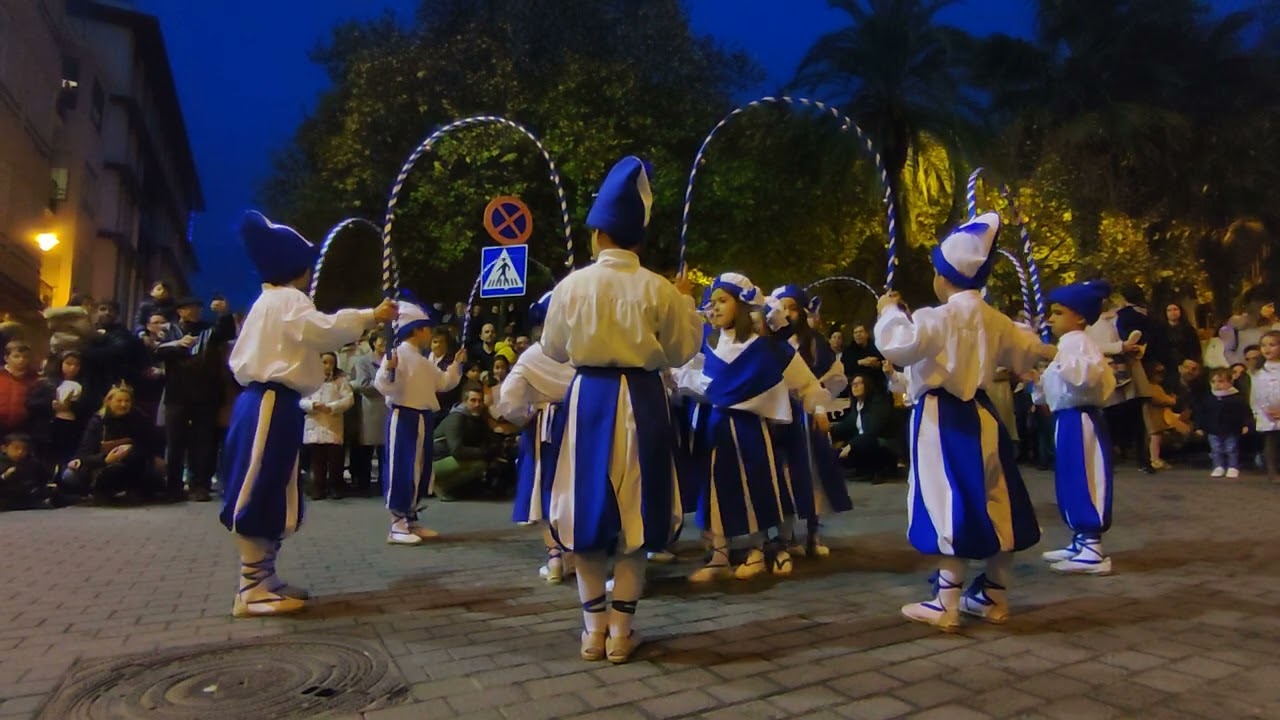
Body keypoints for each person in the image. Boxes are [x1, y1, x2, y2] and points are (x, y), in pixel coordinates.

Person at [541, 156, 702, 663]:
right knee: (639, 513)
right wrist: (686, 305)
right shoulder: (659, 288)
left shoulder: (571, 286)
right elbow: (680, 353)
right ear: (640, 236)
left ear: (597, 234)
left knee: (584, 511)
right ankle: (621, 631)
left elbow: (554, 349)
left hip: (589, 398)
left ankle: (592, 629)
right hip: (644, 398)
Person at [874, 212, 1053, 631]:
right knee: (997, 500)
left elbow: (900, 345)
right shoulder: (994, 319)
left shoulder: (936, 317)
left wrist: (888, 312)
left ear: (944, 276)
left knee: (945, 502)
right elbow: (1026, 350)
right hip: (984, 414)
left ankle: (946, 600)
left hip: (942, 418)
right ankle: (994, 592)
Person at [220, 211, 397, 618]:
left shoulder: (269, 301)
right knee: (261, 486)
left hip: (269, 402)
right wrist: (372, 315)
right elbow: (323, 330)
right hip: (270, 401)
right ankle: (251, 588)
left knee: (271, 484)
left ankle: (262, 578)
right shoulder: (286, 300)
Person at [675, 274, 829, 582]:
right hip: (714, 427)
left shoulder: (768, 349)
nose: (714, 307)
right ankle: (719, 554)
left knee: (753, 486)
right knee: (715, 489)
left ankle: (756, 551)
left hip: (749, 430)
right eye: (712, 301)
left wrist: (819, 409)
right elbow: (686, 376)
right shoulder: (709, 345)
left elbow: (807, 383)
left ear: (742, 305)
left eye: (722, 300)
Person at [494, 290, 577, 582]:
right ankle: (574, 554)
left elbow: (508, 398)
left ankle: (555, 556)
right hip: (580, 424)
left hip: (544, 428)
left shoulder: (532, 356)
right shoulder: (583, 350)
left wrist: (525, 415)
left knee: (547, 490)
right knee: (576, 489)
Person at [1038, 281, 1117, 576]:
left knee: (1086, 475)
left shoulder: (1079, 342)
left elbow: (1086, 377)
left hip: (1081, 417)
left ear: (1080, 317)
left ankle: (1092, 545)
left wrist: (1055, 357)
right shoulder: (1069, 344)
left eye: (1058, 312)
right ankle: (1081, 539)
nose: (1051, 318)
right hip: (1067, 417)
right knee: (1072, 475)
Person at [375, 297, 465, 545]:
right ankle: (397, 523)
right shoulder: (397, 355)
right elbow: (384, 385)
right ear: (417, 330)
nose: (430, 334)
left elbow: (443, 383)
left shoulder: (423, 360)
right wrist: (387, 369)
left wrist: (457, 364)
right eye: (428, 329)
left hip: (423, 417)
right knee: (402, 467)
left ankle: (410, 518)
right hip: (403, 417)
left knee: (419, 468)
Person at [768, 284, 849, 557]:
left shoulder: (814, 342)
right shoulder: (769, 343)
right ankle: (785, 535)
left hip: (807, 418)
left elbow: (834, 378)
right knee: (783, 473)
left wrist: (819, 406)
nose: (787, 313)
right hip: (778, 417)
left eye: (792, 307)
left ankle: (814, 532)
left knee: (813, 473)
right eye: (782, 308)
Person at [65, 383, 165, 503]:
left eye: (127, 401)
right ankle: (100, 491)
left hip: (134, 464)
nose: (123, 405)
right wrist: (106, 459)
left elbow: (151, 446)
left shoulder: (139, 419)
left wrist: (129, 450)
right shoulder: (97, 422)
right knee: (69, 475)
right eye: (119, 401)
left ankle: (136, 490)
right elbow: (84, 454)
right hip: (103, 466)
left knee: (155, 468)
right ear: (109, 401)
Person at [301, 352, 354, 499]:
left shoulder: (340, 381)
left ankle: (336, 486)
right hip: (315, 423)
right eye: (324, 362)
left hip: (332, 423)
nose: (327, 366)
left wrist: (332, 407)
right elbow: (301, 399)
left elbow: (348, 399)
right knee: (317, 460)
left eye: (331, 363)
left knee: (335, 459)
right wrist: (313, 405)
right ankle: (318, 487)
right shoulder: (309, 380)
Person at [348, 331, 389, 497]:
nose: (384, 344)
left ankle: (384, 483)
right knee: (366, 449)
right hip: (370, 408)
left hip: (388, 407)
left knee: (385, 450)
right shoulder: (363, 361)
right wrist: (386, 384)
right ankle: (363, 484)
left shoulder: (393, 360)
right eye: (381, 341)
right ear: (373, 343)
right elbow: (363, 384)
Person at [1193, 368, 1252, 479]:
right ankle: (1218, 466)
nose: (1217, 385)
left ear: (1230, 382)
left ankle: (1233, 466)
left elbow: (1245, 412)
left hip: (1232, 428)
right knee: (1216, 449)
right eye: (1213, 382)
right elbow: (1201, 413)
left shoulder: (1237, 398)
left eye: (1221, 381)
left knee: (1231, 449)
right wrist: (1199, 426)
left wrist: (1246, 424)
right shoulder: (1208, 398)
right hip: (1213, 429)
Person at [1249, 331, 1280, 484]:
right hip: (1267, 412)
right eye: (1263, 345)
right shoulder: (1258, 371)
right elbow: (1256, 394)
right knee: (1271, 440)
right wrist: (1263, 411)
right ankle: (1272, 473)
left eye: (1272, 345)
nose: (1267, 349)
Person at [0, 433, 52, 511]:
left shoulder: (32, 463)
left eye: (24, 449)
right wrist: (4, 476)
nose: (20, 452)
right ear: (4, 448)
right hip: (5, 497)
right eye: (16, 448)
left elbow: (43, 478)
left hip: (27, 497)